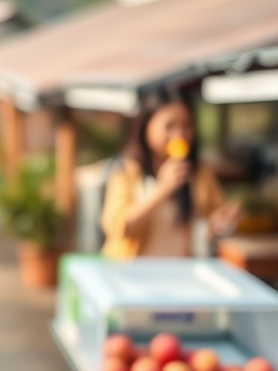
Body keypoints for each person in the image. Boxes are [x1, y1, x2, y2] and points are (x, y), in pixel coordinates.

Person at [100, 86, 241, 259]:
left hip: (180, 270)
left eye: (186, 125)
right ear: (147, 127)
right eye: (169, 126)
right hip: (131, 270)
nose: (179, 134)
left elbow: (215, 213)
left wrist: (221, 222)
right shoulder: (127, 170)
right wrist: (161, 190)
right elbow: (118, 228)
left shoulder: (198, 172)